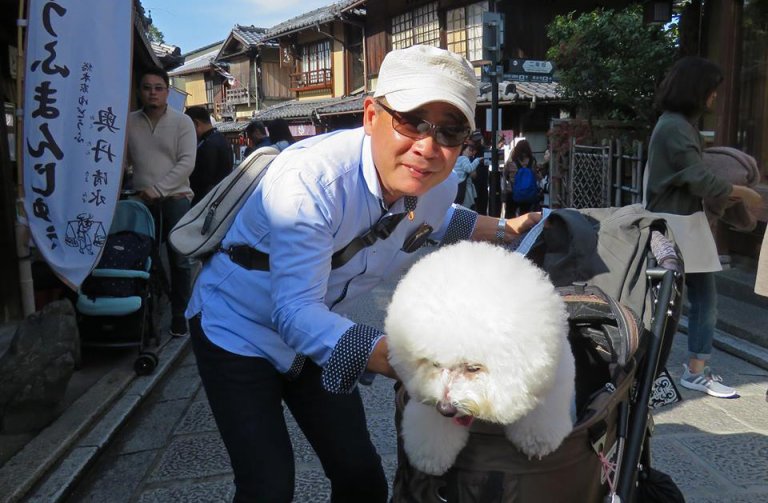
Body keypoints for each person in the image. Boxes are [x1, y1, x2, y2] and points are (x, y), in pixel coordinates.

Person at [185, 45, 540, 502]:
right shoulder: (310, 184)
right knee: (267, 486)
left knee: (360, 476)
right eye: (411, 122)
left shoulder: (435, 179)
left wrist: (508, 229)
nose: (427, 148)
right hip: (237, 326)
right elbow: (294, 313)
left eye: (450, 132)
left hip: (317, 328)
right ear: (372, 115)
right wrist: (416, 363)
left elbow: (442, 216)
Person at [644, 56, 761, 398]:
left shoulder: (673, 123)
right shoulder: (677, 127)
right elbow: (698, 178)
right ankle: (692, 370)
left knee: (670, 303)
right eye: (711, 90)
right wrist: (742, 192)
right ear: (697, 90)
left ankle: (671, 369)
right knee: (691, 301)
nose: (714, 97)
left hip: (676, 224)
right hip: (679, 226)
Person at [126, 67, 197, 338]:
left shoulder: (182, 122)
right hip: (141, 202)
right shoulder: (128, 122)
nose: (152, 92)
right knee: (143, 259)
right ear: (139, 91)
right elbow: (124, 160)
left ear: (167, 92)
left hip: (176, 199)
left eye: (158, 87)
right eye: (147, 87)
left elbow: (187, 163)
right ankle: (147, 313)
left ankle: (181, 314)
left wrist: (159, 188)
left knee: (179, 260)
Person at [184, 106, 234, 205]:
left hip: (205, 201)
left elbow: (202, 180)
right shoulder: (221, 138)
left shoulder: (206, 145)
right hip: (222, 196)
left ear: (196, 123)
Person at [503, 139, 540, 218]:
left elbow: (505, 175)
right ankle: (524, 230)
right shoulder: (532, 161)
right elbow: (535, 175)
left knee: (510, 215)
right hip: (528, 192)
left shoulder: (511, 162)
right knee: (525, 216)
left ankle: (510, 229)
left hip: (512, 192)